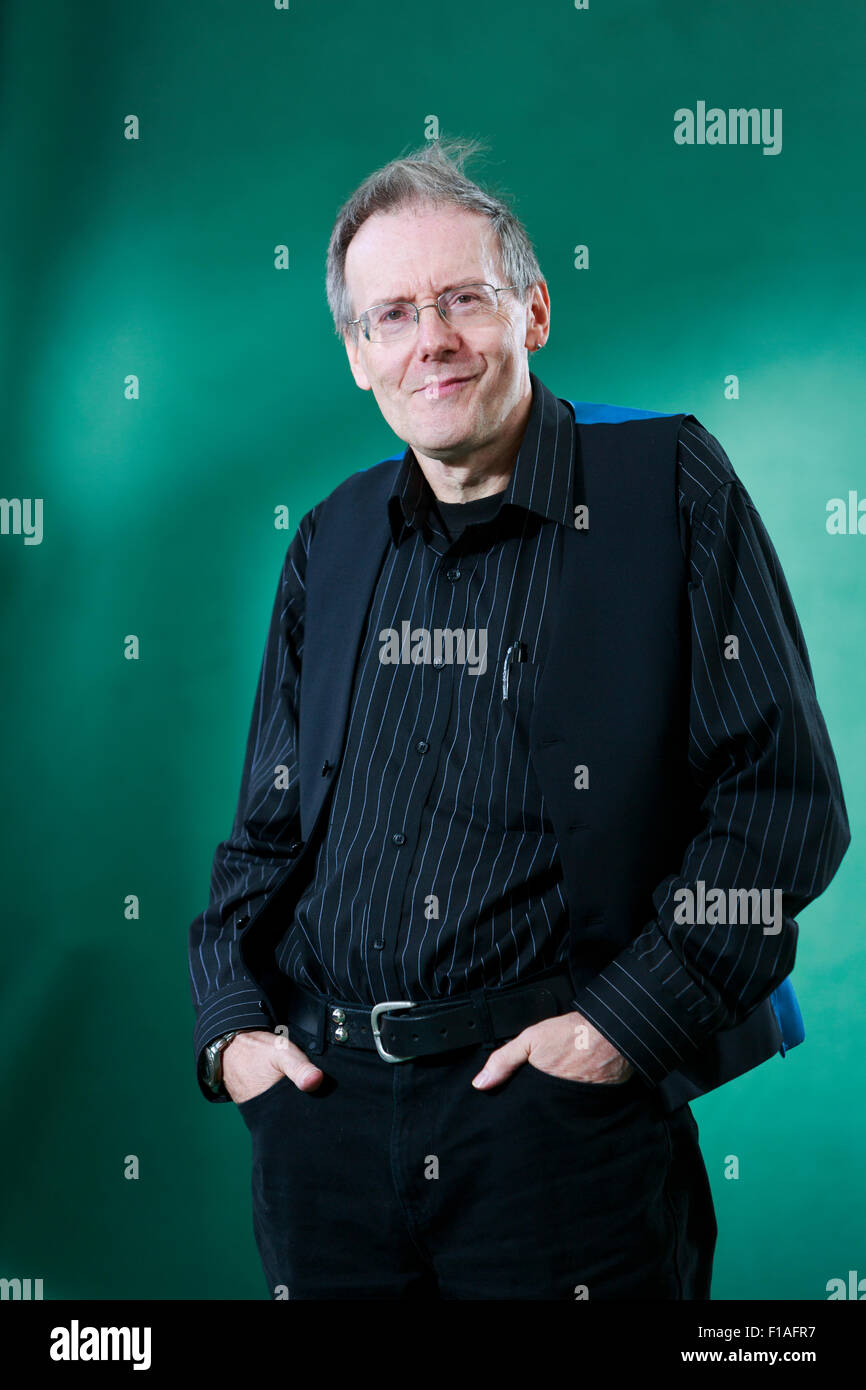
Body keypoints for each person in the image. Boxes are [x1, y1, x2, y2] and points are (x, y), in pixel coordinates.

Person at [188, 137, 850, 1300]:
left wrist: (618, 1032)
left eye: (462, 300)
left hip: (556, 1126)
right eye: (390, 314)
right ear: (356, 355)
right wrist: (234, 1031)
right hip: (320, 1122)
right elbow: (267, 832)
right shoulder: (331, 539)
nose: (428, 339)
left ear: (532, 311)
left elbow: (779, 804)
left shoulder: (667, 483)